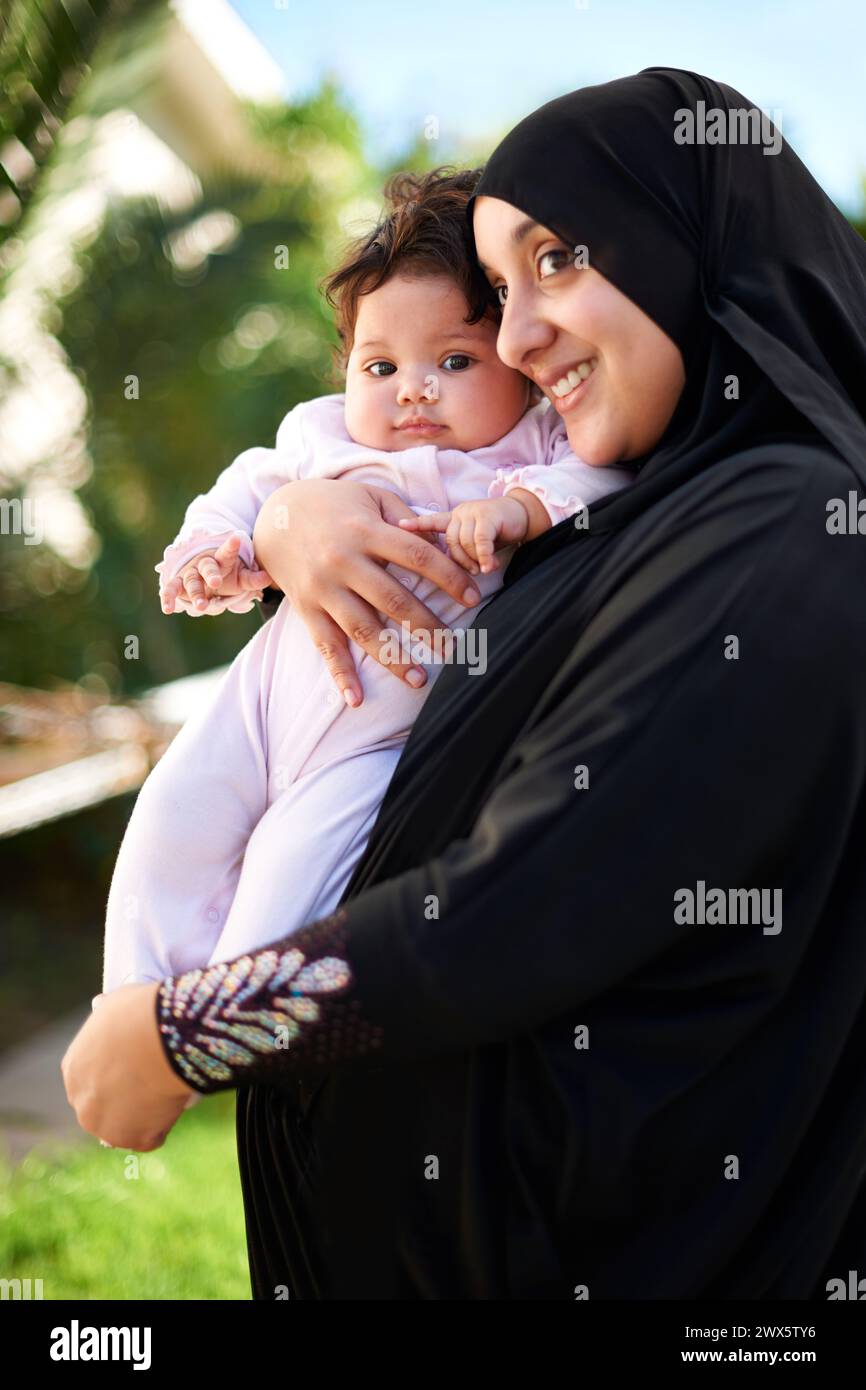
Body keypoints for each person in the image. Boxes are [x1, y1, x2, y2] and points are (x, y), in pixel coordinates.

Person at [63, 67, 866, 1301]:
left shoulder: (785, 523)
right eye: (498, 288)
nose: (516, 332)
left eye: (556, 263)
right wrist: (290, 515)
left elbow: (525, 899)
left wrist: (190, 1030)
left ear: (679, 237)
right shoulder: (661, 499)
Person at [100, 169, 628, 992]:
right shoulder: (318, 436)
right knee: (172, 819)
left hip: (377, 738)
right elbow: (246, 487)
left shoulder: (530, 446)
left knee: (295, 872)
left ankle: (211, 1023)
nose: (413, 388)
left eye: (454, 359)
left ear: (521, 367)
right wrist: (219, 547)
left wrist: (525, 508)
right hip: (266, 698)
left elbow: (604, 479)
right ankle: (132, 998)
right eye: (379, 367)